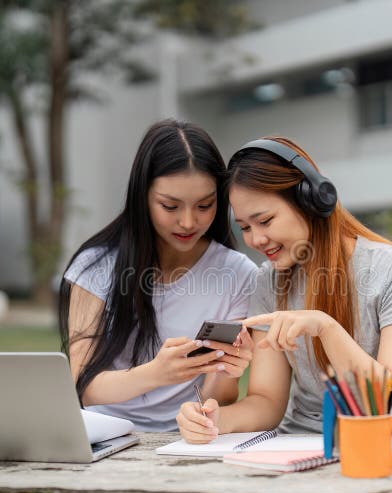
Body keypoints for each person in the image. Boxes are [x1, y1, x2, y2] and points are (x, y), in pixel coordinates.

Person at [176, 137, 392, 442]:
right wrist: (216, 419)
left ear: (310, 201)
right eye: (244, 227)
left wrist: (327, 328)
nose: (255, 240)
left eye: (265, 221)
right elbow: (266, 403)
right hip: (295, 445)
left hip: (374, 444)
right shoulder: (268, 280)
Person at [59, 119, 258, 432]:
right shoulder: (96, 265)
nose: (188, 222)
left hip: (181, 438)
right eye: (170, 206)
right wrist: (157, 373)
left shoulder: (238, 274)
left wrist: (227, 371)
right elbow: (80, 383)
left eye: (204, 205)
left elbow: (218, 397)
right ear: (143, 197)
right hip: (102, 434)